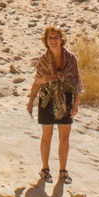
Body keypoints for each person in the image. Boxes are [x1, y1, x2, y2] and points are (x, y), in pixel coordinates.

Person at [26, 26, 81, 184]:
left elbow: (76, 82)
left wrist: (76, 104)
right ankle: (45, 170)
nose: (53, 41)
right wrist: (30, 102)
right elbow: (37, 82)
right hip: (47, 100)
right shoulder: (43, 60)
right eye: (50, 38)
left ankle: (63, 171)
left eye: (56, 37)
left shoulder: (70, 58)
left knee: (64, 138)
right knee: (47, 136)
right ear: (46, 41)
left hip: (65, 99)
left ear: (61, 39)